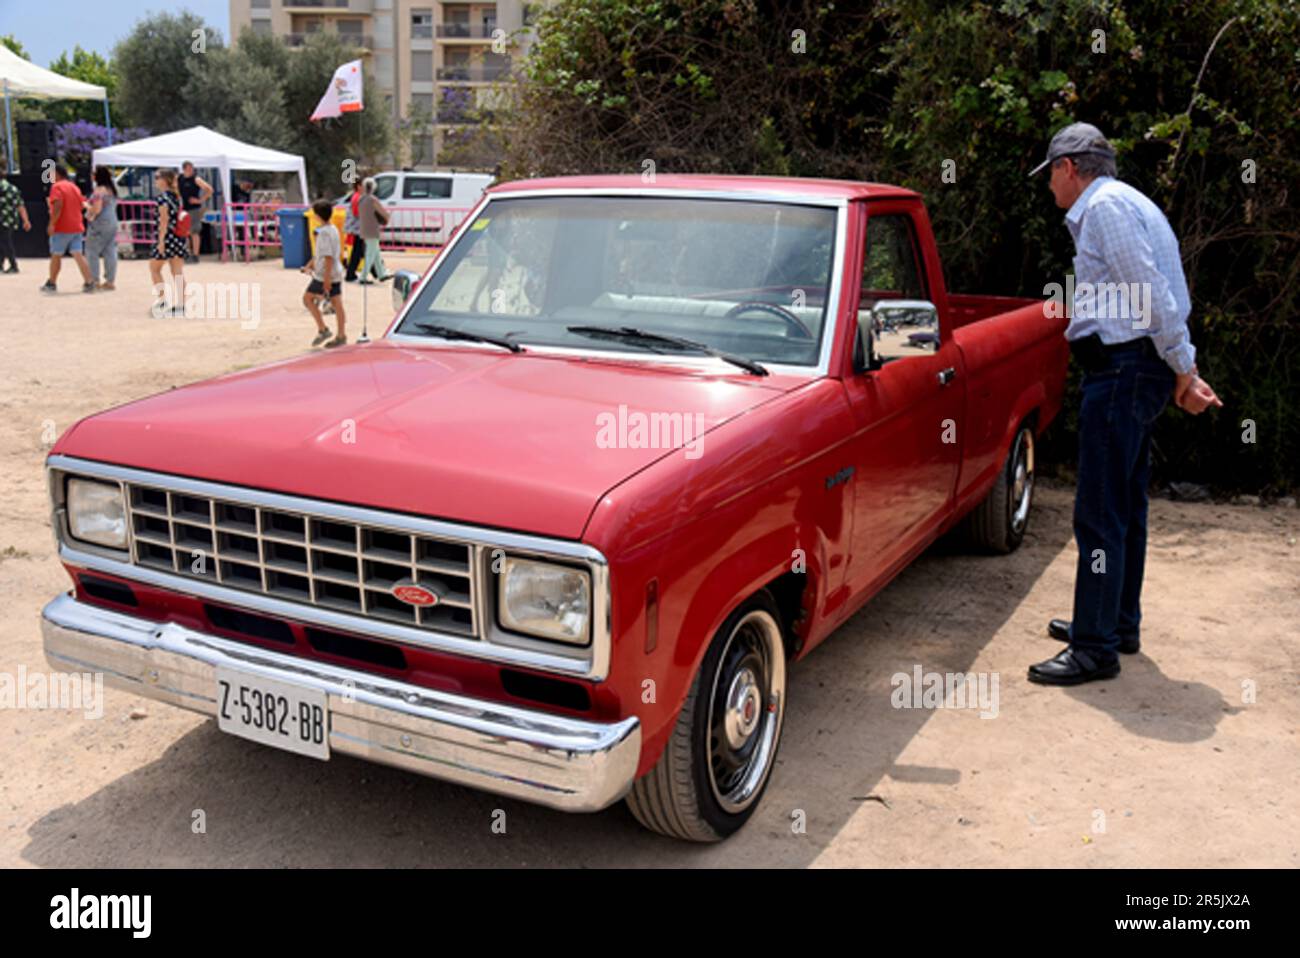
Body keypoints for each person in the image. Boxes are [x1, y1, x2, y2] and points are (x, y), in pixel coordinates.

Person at [1026, 122, 1222, 687]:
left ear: (1069, 168)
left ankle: (1094, 647)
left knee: (1099, 511)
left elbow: (1152, 294)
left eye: (1051, 177)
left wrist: (1184, 368)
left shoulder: (1105, 209)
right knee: (1125, 504)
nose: (1050, 189)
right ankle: (1114, 622)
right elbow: (1159, 292)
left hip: (1123, 369)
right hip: (1137, 368)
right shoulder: (1130, 202)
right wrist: (1180, 367)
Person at [40, 164, 95, 294]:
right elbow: (82, 204)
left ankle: (52, 282)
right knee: (78, 255)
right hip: (76, 226)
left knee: (56, 255)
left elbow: (58, 205)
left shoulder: (57, 187)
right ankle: (89, 281)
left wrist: (52, 223)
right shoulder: (74, 187)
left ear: (57, 174)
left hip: (62, 227)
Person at [302, 198, 347, 348]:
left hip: (325, 275)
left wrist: (326, 279)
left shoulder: (324, 233)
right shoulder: (332, 229)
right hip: (335, 272)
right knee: (337, 304)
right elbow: (320, 255)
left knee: (308, 299)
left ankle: (322, 328)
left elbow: (327, 257)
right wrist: (309, 265)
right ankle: (341, 334)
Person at [149, 168, 188, 317]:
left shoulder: (162, 198)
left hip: (166, 237)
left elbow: (163, 221)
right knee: (177, 272)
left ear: (165, 180)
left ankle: (162, 300)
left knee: (154, 269)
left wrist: (160, 241)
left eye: (157, 177)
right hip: (178, 237)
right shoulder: (176, 196)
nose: (156, 180)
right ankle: (181, 304)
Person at [85, 165, 119, 290]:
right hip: (112, 221)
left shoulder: (99, 190)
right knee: (110, 251)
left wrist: (86, 206)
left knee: (92, 251)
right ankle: (110, 280)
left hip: (100, 223)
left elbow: (97, 209)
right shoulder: (112, 190)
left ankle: (94, 279)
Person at [357, 177, 393, 284]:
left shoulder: (361, 199)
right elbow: (383, 212)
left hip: (364, 228)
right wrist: (387, 217)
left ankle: (382, 274)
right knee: (371, 254)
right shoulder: (373, 199)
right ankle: (363, 277)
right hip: (372, 229)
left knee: (376, 252)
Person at [177, 160, 213, 263]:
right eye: (188, 168)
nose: (190, 170)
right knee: (185, 232)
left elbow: (209, 189)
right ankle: (187, 253)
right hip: (184, 208)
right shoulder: (180, 178)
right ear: (184, 169)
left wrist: (200, 200)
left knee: (194, 231)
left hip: (194, 208)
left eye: (191, 168)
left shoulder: (196, 179)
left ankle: (196, 255)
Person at [0, 175, 31, 273]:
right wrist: (26, 220)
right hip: (10, 220)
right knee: (4, 242)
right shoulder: (13, 188)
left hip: (2, 219)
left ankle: (13, 265)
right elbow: (20, 205)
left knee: (5, 243)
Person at [343, 179, 364, 282]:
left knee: (359, 251)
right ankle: (350, 274)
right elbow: (357, 212)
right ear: (359, 186)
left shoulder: (356, 197)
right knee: (358, 252)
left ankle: (351, 274)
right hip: (357, 229)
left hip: (358, 229)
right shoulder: (357, 197)